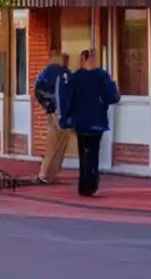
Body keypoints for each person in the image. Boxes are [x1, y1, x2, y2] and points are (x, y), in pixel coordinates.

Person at [58, 49, 120, 197]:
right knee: (93, 152)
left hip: (81, 121)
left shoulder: (76, 77)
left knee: (83, 151)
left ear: (83, 59)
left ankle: (84, 184)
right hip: (96, 120)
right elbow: (112, 96)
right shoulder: (102, 76)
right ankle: (90, 184)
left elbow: (68, 99)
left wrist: (66, 118)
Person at [34, 50, 71, 183]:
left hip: (59, 112)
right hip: (59, 112)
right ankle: (45, 174)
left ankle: (50, 174)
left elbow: (38, 89)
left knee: (57, 143)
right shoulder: (57, 73)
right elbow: (42, 90)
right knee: (55, 142)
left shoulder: (62, 73)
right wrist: (53, 108)